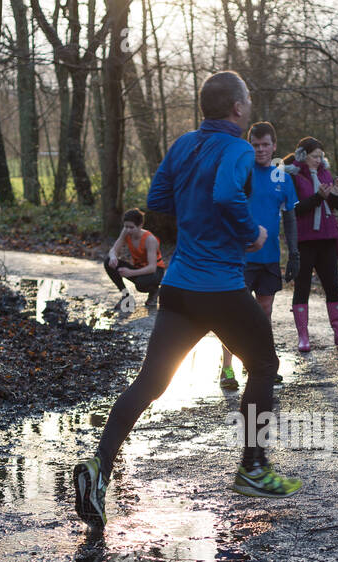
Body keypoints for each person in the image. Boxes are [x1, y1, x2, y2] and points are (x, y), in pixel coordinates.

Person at [73, 71, 300, 531]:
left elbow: (158, 199)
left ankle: (99, 468)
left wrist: (196, 214)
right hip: (218, 286)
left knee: (151, 382)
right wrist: (250, 233)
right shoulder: (237, 148)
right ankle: (253, 469)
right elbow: (224, 194)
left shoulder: (183, 144)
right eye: (249, 98)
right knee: (264, 365)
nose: (250, 104)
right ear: (237, 108)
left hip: (178, 286)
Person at [219, 121, 300, 391]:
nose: (261, 150)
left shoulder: (282, 177)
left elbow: (289, 218)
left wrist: (295, 253)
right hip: (238, 257)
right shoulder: (240, 172)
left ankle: (260, 364)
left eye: (266, 145)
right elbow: (224, 210)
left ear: (275, 146)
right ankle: (227, 368)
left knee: (264, 312)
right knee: (233, 314)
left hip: (269, 257)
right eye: (256, 145)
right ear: (249, 145)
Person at [284, 136, 338, 351]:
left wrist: (337, 196)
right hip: (304, 240)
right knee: (302, 286)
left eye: (321, 156)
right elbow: (293, 209)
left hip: (327, 238)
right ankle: (303, 336)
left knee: (332, 285)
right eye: (314, 156)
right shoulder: (293, 175)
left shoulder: (325, 172)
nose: (318, 160)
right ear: (303, 155)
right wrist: (318, 197)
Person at [104, 209, 165, 311]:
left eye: (131, 227)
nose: (128, 230)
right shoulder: (126, 232)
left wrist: (131, 272)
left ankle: (154, 291)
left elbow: (152, 268)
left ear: (140, 225)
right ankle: (126, 296)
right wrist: (113, 257)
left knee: (141, 285)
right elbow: (113, 250)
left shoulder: (150, 240)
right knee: (108, 262)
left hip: (155, 272)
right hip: (139, 269)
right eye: (126, 226)